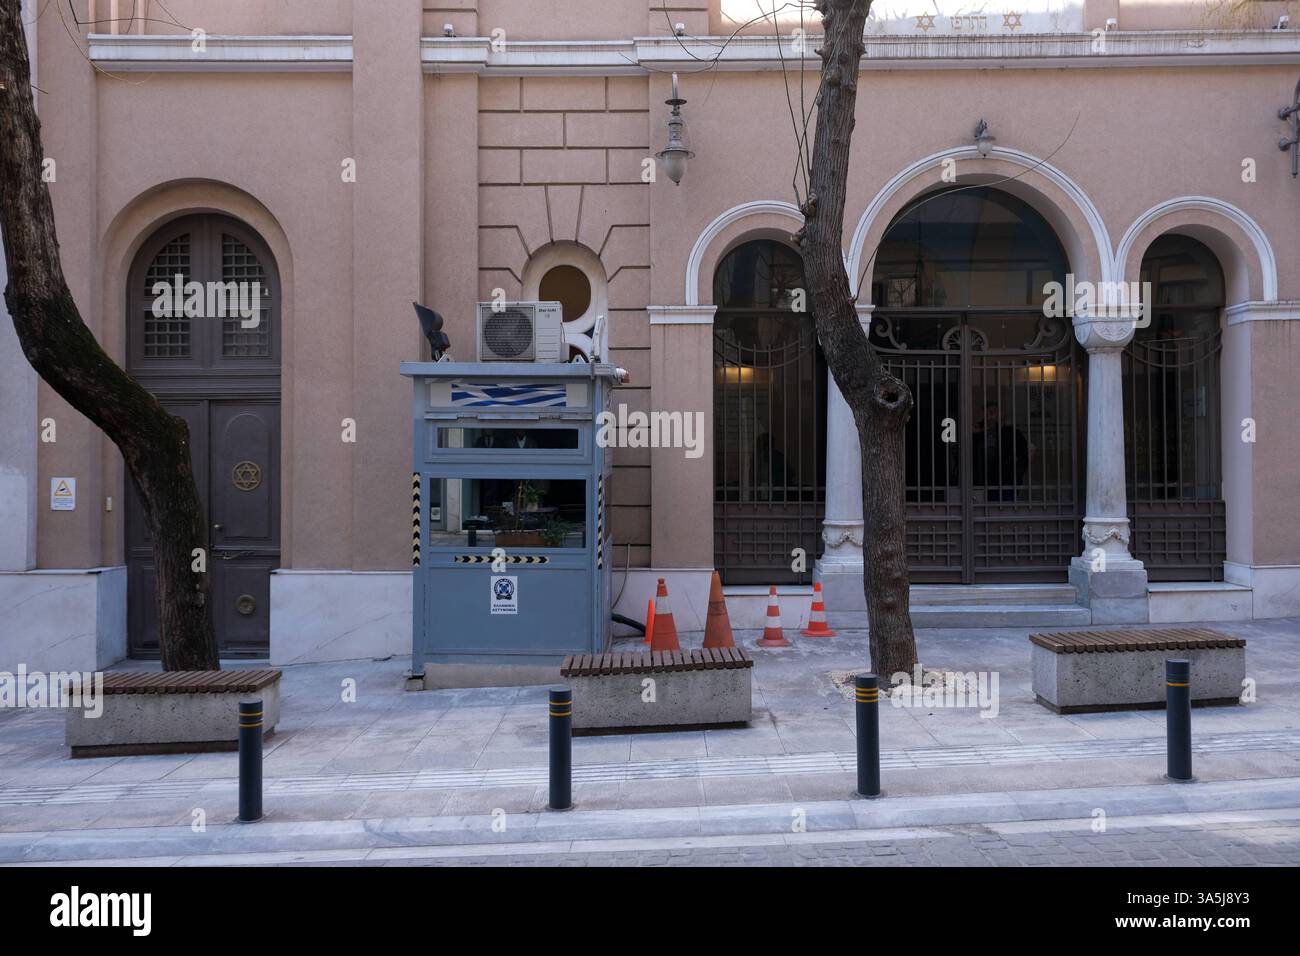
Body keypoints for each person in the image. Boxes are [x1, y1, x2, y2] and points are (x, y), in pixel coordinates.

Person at [972, 403, 1029, 502]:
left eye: (994, 412)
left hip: (1005, 480)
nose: (991, 416)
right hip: (981, 480)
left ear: (1001, 414)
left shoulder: (1010, 432)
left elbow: (1025, 454)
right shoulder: (976, 432)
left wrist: (1015, 472)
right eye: (988, 413)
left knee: (1004, 509)